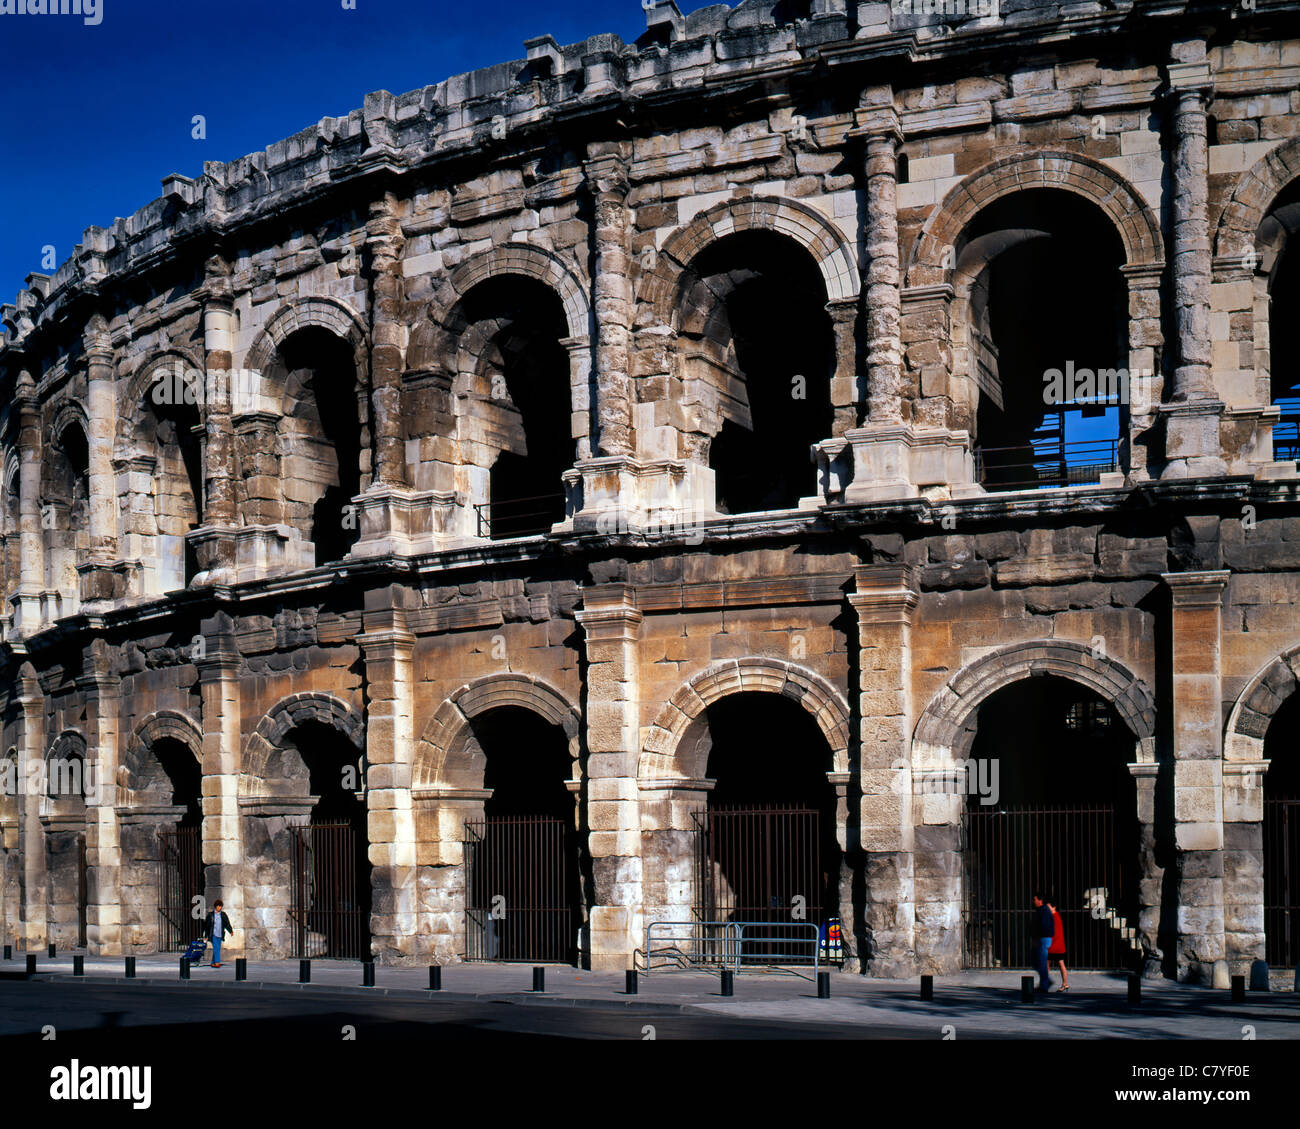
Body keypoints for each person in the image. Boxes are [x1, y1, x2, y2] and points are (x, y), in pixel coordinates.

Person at [1031, 891, 1054, 992]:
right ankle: (1045, 982)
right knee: (1039, 962)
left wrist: (1037, 937)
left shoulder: (1043, 911)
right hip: (1043, 938)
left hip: (1043, 938)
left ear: (1040, 901)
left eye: (1035, 899)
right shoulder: (1042, 910)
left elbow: (1043, 926)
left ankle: (1044, 984)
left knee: (1041, 962)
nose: (1033, 901)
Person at [1046, 898, 1069, 992]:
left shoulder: (1053, 917)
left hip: (1053, 945)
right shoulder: (1056, 916)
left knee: (1047, 964)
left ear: (1054, 907)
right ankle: (1065, 983)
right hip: (1058, 945)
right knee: (1061, 964)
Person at [204, 899, 234, 968]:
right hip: (213, 934)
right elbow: (207, 926)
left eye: (220, 906)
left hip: (220, 934)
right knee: (216, 948)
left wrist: (231, 931)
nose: (219, 908)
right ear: (215, 906)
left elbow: (227, 924)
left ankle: (213, 962)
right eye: (218, 906)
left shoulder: (223, 915)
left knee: (217, 948)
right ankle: (217, 962)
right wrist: (206, 936)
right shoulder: (211, 915)